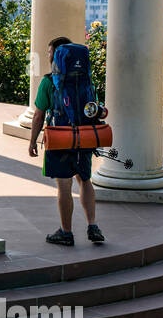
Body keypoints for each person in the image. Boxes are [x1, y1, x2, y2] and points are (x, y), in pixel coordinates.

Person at [27, 36, 105, 246]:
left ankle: (66, 232)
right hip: (84, 137)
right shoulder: (86, 81)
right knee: (85, 180)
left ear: (58, 55)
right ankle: (92, 225)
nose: (49, 56)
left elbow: (38, 115)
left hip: (60, 138)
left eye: (50, 52)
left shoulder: (48, 82)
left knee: (64, 186)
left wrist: (32, 141)